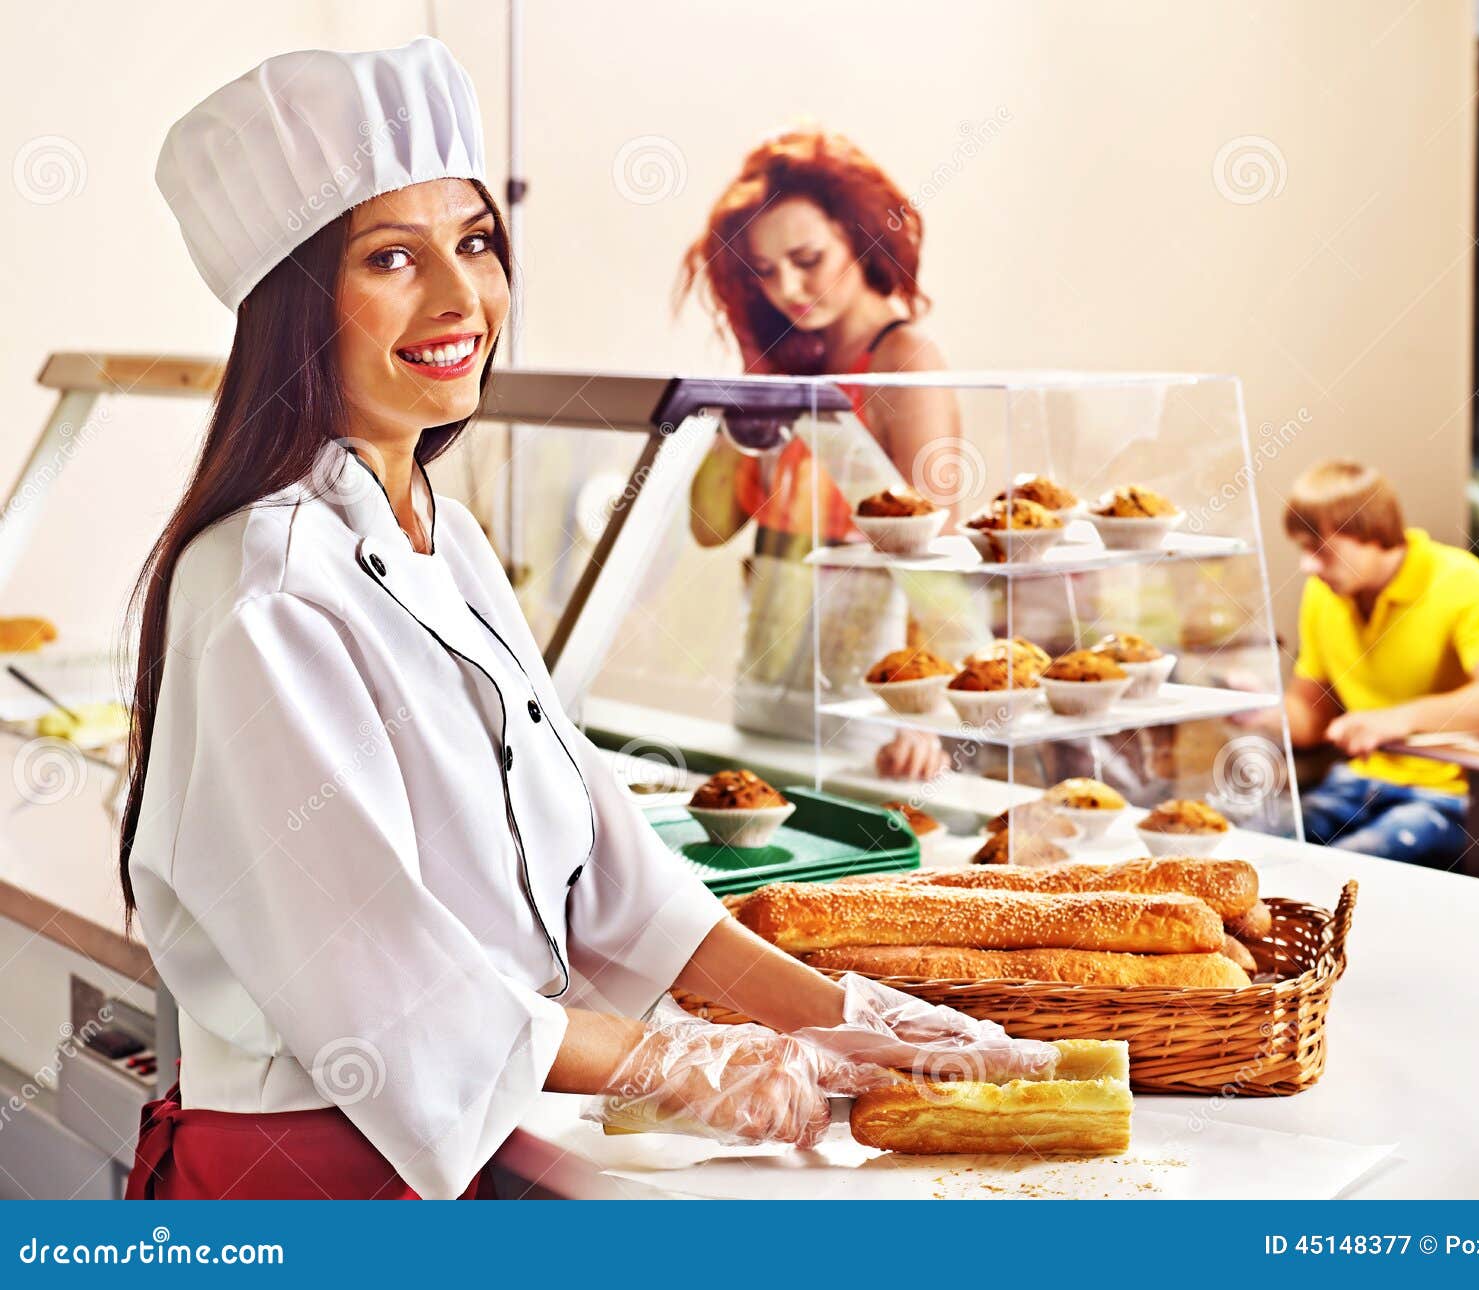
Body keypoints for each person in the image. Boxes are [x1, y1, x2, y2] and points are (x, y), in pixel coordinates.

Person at [120, 37, 1057, 1201]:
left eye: (474, 242)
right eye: (391, 259)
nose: (461, 297)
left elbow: (606, 863)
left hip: (472, 1150)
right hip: (311, 1173)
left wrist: (852, 1014)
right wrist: (684, 1059)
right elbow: (378, 979)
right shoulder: (261, 585)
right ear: (296, 306)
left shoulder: (442, 538)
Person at [678, 128, 963, 781]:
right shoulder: (785, 371)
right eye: (767, 271)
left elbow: (933, 556)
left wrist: (921, 718)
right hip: (767, 693)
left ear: (859, 234)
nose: (788, 287)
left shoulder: (903, 362)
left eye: (808, 258)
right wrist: (750, 376)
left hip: (875, 710)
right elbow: (709, 525)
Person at [1266, 459, 1479, 866]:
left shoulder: (1466, 584)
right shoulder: (1322, 594)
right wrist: (1258, 707)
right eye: (1303, 549)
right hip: (1358, 782)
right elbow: (1309, 720)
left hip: (1449, 795)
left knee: (1341, 870)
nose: (1308, 566)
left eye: (1320, 549)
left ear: (1370, 534)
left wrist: (1397, 718)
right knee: (1254, 845)